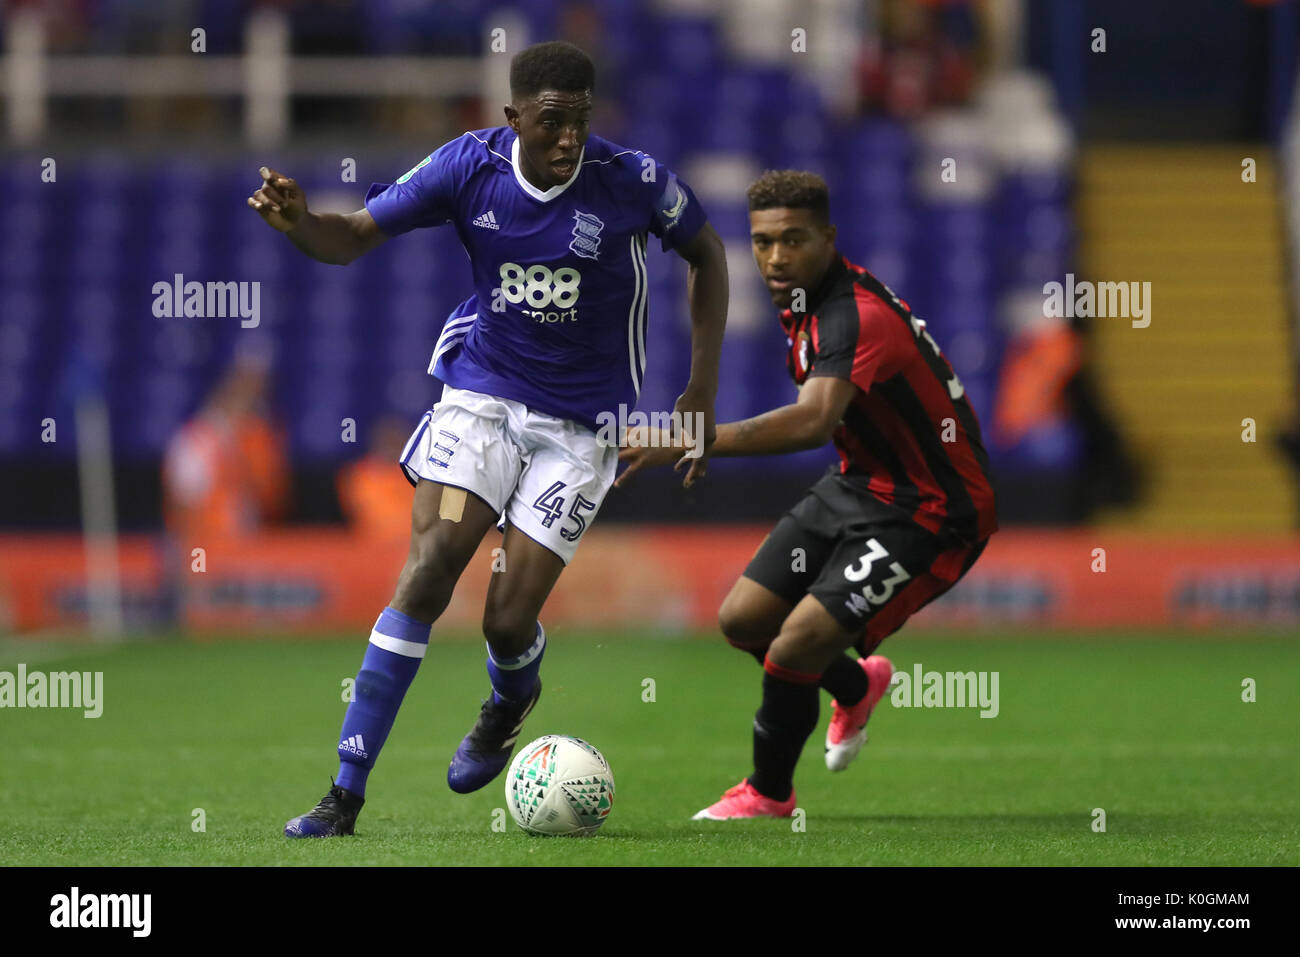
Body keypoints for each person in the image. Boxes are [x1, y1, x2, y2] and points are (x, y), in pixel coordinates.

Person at [248, 41, 728, 837]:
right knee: (432, 565)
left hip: (583, 425)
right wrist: (300, 221)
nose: (568, 138)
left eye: (578, 120)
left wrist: (699, 393)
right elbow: (351, 237)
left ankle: (510, 698)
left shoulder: (633, 181)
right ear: (512, 119)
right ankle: (344, 792)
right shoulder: (466, 168)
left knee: (507, 620)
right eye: (550, 123)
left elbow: (708, 253)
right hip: (483, 395)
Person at [618, 170, 996, 819]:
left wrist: (690, 439)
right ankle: (856, 684)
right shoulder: (802, 299)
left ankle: (768, 792)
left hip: (932, 508)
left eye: (793, 240)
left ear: (829, 237)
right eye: (764, 242)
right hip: (860, 482)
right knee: (743, 621)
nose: (775, 257)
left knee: (794, 645)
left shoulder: (855, 316)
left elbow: (813, 420)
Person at [162, 347, 289, 543]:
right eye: (245, 389)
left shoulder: (257, 438)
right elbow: (183, 508)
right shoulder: (198, 440)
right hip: (207, 546)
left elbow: (272, 500)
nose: (252, 400)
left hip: (248, 548)